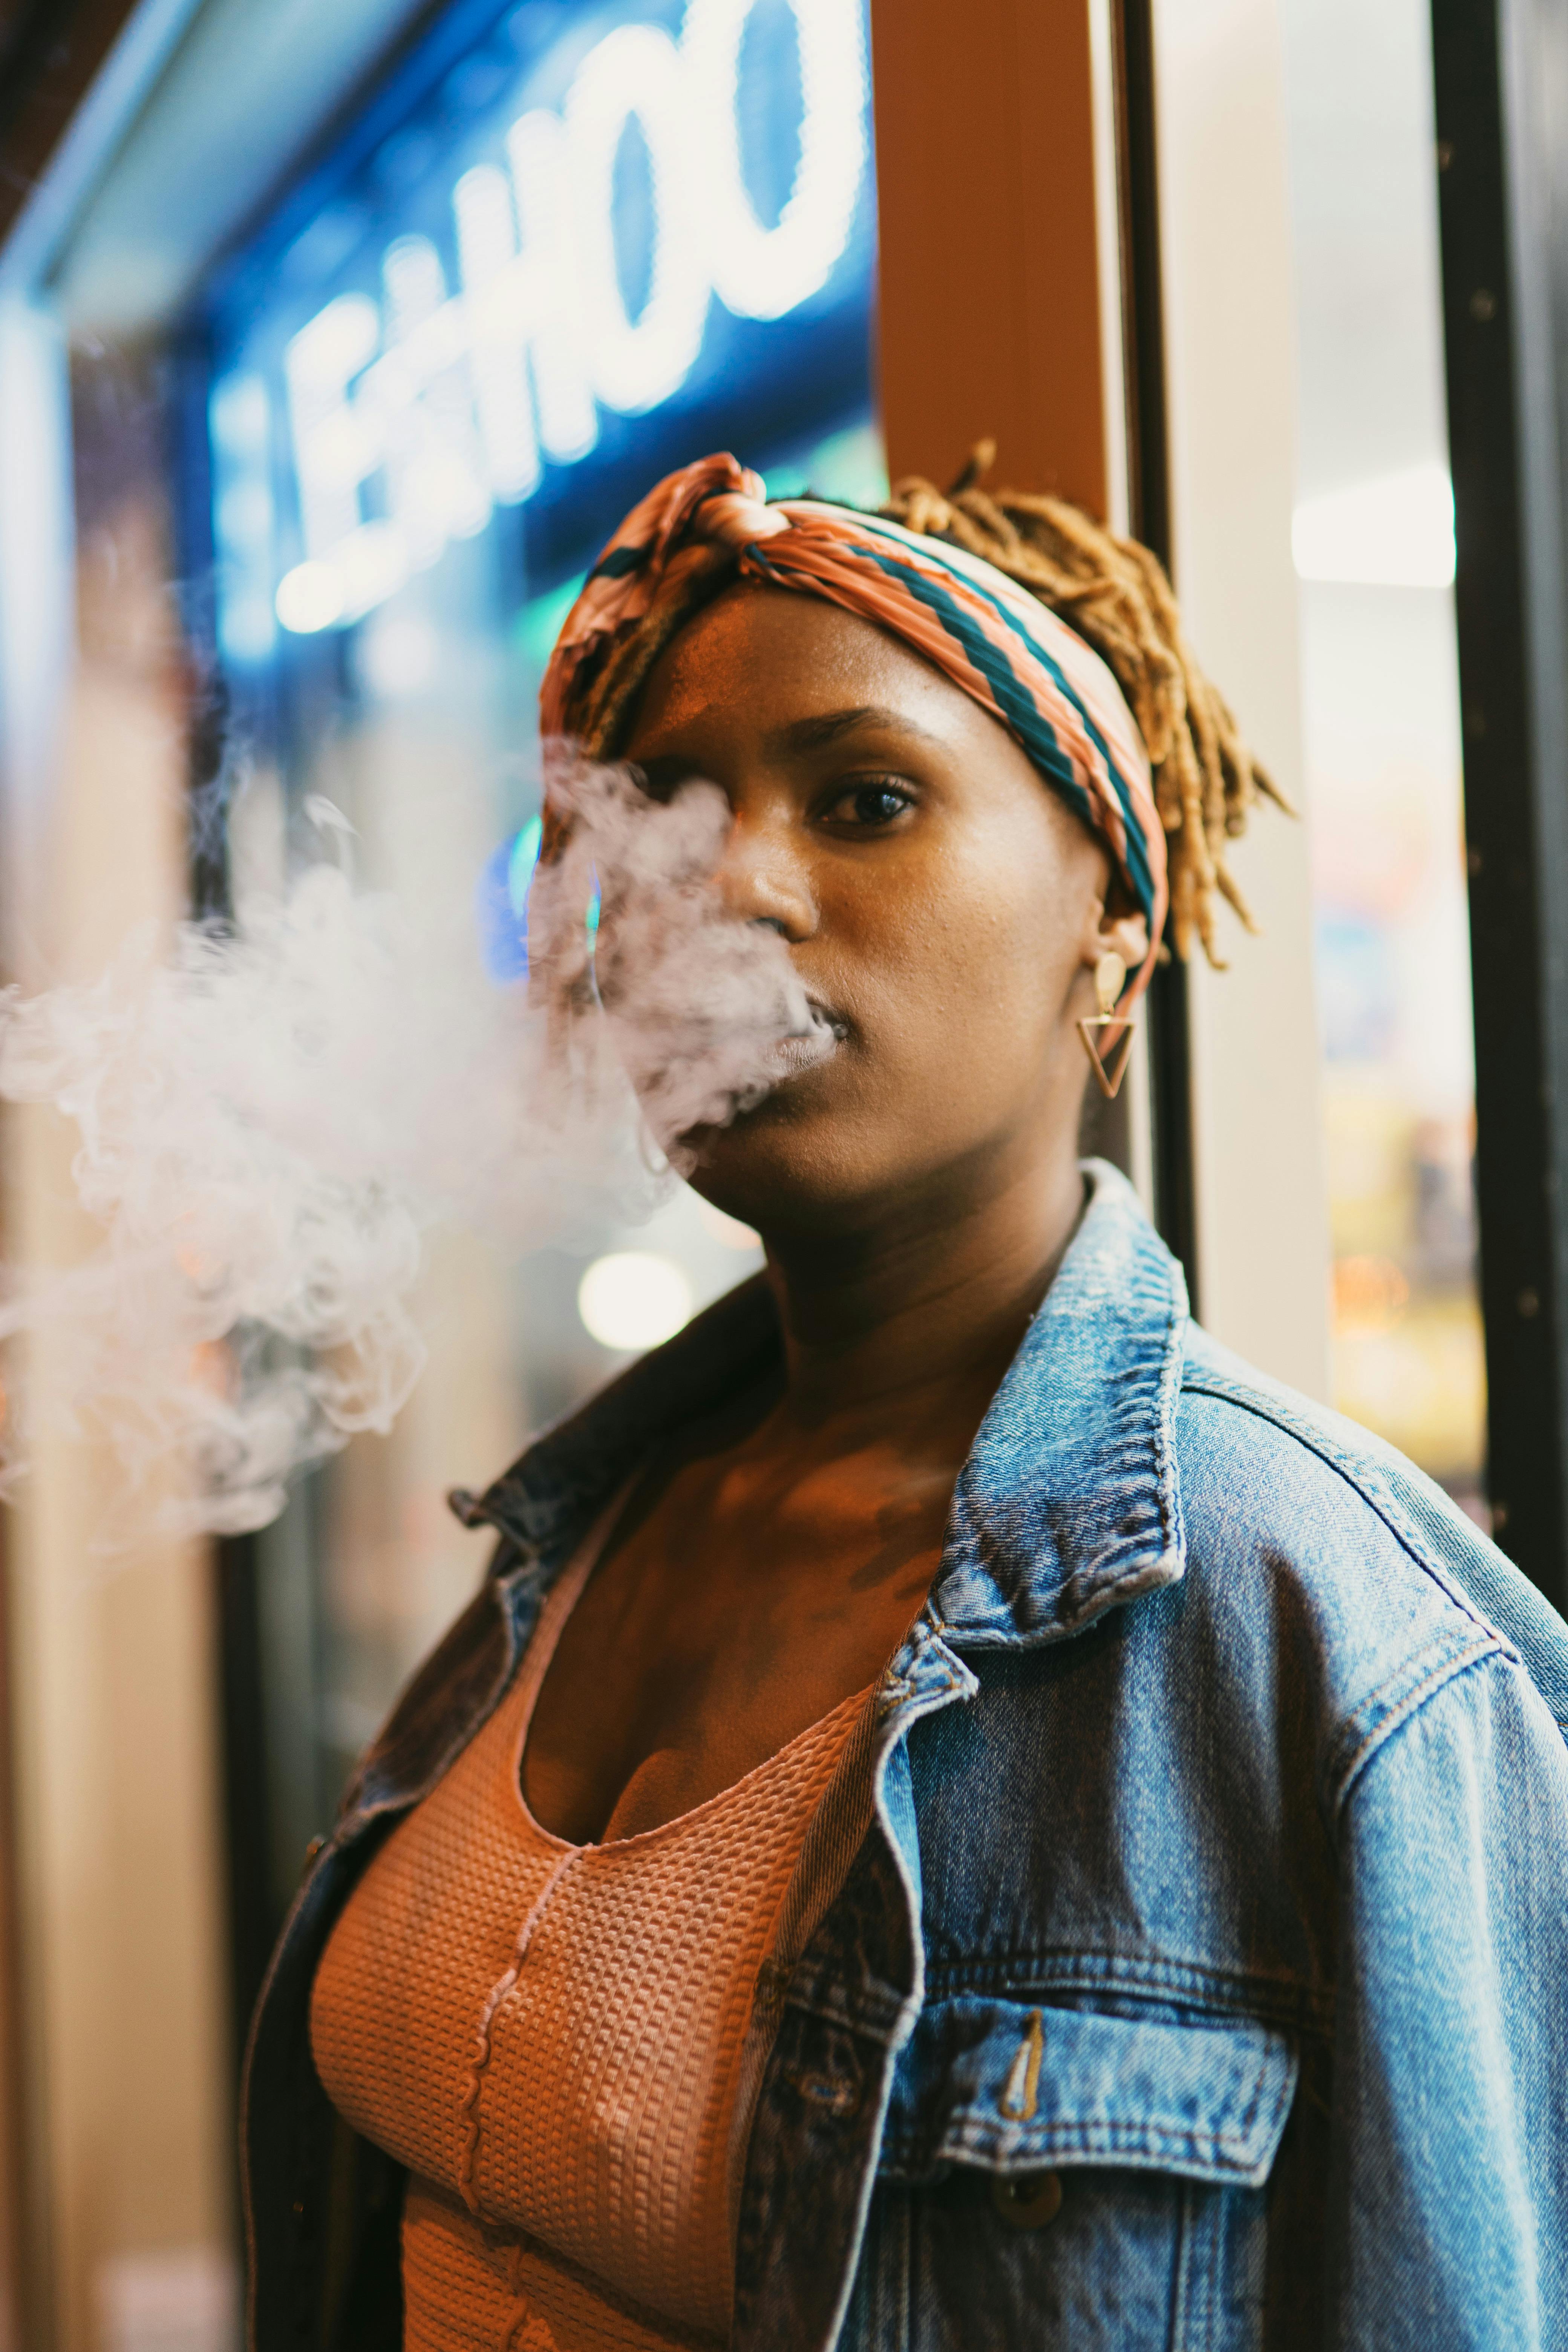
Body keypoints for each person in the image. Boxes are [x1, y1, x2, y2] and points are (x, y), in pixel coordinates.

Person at [244, 451, 1568, 2352]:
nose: (743, 884)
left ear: (1105, 931)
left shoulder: (1332, 1643)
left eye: (864, 801)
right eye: (675, 815)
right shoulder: (585, 1527)